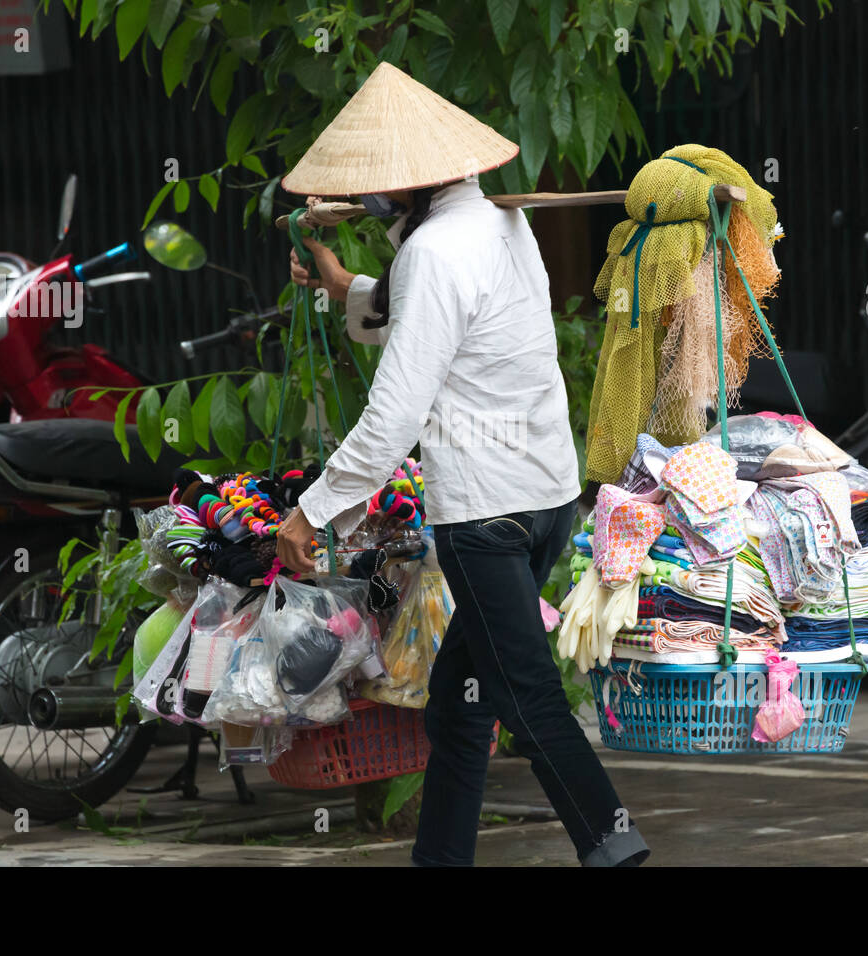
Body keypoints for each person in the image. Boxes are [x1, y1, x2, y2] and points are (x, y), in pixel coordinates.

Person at [275, 62, 649, 868]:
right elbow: (443, 326)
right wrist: (347, 286)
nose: (368, 199)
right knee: (460, 704)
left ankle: (615, 847)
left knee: (525, 696)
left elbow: (395, 416)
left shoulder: (436, 253)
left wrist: (311, 510)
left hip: (487, 518)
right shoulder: (498, 227)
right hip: (546, 501)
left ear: (398, 188)